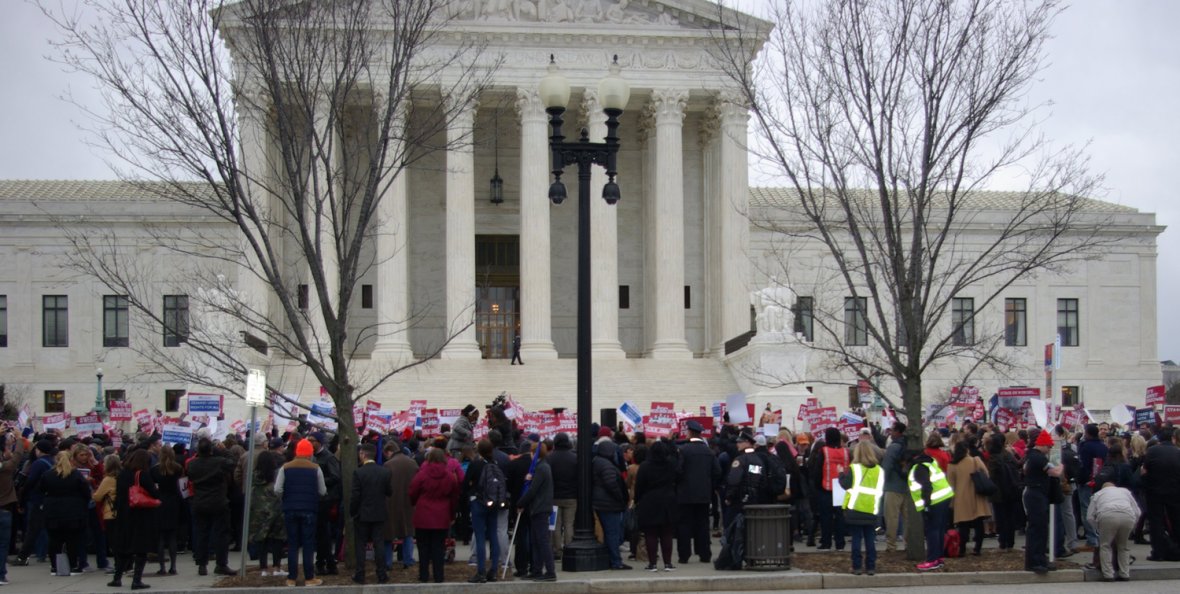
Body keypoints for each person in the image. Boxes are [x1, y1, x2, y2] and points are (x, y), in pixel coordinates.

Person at [276, 438, 327, 587]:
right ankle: (309, 577)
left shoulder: (285, 467)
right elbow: (322, 491)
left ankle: (291, 578)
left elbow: (277, 489)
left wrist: (286, 498)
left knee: (292, 543)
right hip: (309, 509)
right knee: (308, 544)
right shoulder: (315, 468)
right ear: (310, 453)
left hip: (290, 509)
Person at [110, 449, 160, 590]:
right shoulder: (142, 474)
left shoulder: (122, 474)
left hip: (124, 515)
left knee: (124, 548)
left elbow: (119, 495)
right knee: (140, 549)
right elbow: (154, 493)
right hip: (140, 515)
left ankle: (117, 578)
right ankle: (136, 580)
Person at [186, 437, 236, 576]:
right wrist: (223, 450)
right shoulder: (219, 462)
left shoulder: (192, 464)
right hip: (218, 501)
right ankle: (221, 564)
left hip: (200, 501)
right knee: (221, 534)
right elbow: (233, 462)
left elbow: (189, 477)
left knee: (201, 534)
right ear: (211, 450)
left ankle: (202, 564)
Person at [410, 447, 459, 584]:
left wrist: (415, 502)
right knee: (439, 547)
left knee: (423, 547)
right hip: (441, 515)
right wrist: (452, 514)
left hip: (423, 514)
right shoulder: (449, 476)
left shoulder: (422, 474)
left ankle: (423, 574)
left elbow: (413, 491)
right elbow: (454, 496)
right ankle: (439, 575)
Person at [676, 420, 720, 564]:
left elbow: (678, 471)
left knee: (684, 525)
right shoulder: (709, 452)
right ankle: (704, 553)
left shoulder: (683, 450)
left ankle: (684, 555)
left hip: (685, 494)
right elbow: (717, 472)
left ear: (689, 432)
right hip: (703, 494)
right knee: (702, 524)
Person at [40, 451, 90, 576]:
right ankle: (73, 566)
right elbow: (86, 492)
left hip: (52, 510)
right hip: (73, 511)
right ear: (71, 460)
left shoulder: (48, 474)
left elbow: (41, 490)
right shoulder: (76, 474)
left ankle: (54, 566)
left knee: (54, 540)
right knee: (72, 540)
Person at [1087, 468, 1140, 582]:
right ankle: (1124, 573)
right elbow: (1137, 511)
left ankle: (1108, 574)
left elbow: (1090, 516)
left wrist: (1097, 528)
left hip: (1107, 516)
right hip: (1127, 516)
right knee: (1124, 546)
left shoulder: (1098, 494)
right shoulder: (1125, 491)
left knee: (1105, 545)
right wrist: (1133, 525)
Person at [840, 440, 883, 576]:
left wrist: (841, 474)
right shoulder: (879, 470)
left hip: (855, 508)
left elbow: (846, 485)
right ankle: (871, 566)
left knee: (856, 539)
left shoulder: (855, 469)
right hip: (871, 508)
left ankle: (857, 566)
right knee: (870, 539)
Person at [349, 443, 391, 584]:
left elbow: (355, 496)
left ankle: (360, 574)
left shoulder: (359, 473)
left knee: (360, 545)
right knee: (379, 543)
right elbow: (389, 492)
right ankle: (381, 573)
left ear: (363, 454)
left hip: (362, 513)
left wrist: (352, 512)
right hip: (379, 513)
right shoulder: (384, 472)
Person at [636, 439, 679, 572]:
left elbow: (639, 486)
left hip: (650, 501)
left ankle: (652, 563)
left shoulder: (644, 466)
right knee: (667, 533)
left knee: (651, 534)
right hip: (668, 500)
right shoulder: (671, 464)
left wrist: (638, 500)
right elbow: (677, 479)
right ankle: (668, 563)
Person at [908, 447, 954, 571]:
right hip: (944, 497)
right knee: (939, 529)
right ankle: (938, 558)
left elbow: (926, 486)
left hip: (934, 501)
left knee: (932, 531)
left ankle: (932, 560)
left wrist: (926, 505)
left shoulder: (919, 468)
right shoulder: (930, 462)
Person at [516, 438, 556, 581]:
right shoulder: (542, 467)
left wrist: (520, 503)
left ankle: (550, 571)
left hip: (540, 508)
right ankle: (537, 570)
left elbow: (533, 490)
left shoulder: (541, 468)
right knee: (537, 541)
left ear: (534, 454)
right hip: (539, 507)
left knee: (542, 541)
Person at [1023, 429, 1063, 574]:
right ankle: (1034, 561)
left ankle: (1039, 559)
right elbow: (1055, 472)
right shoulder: (1037, 458)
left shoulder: (1031, 455)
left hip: (1037, 493)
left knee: (1041, 529)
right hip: (1036, 493)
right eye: (1049, 447)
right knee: (1037, 529)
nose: (1049, 450)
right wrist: (1060, 466)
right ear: (1043, 445)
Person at [464, 439, 503, 583]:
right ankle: (493, 570)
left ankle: (480, 571)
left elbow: (466, 483)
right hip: (493, 503)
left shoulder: (476, 464)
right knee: (493, 534)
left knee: (480, 536)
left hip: (478, 502)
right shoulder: (495, 463)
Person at [1141, 426, 1180, 561]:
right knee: (1176, 520)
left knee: (1156, 522)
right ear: (1173, 439)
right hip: (1175, 491)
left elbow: (1144, 471)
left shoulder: (1152, 451)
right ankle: (1177, 550)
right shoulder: (1178, 452)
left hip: (1154, 491)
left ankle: (1158, 553)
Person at [14, 439, 55, 567]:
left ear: (39, 450)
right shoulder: (52, 461)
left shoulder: (38, 463)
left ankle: (22, 557)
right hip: (49, 500)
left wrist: (23, 495)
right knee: (48, 529)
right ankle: (49, 554)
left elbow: (30, 481)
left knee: (33, 529)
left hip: (38, 499)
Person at [946, 440, 991, 556]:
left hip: (961, 498)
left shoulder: (952, 465)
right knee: (978, 524)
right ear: (967, 450)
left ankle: (962, 549)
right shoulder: (976, 461)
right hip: (977, 495)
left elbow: (950, 484)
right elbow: (986, 474)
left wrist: (951, 502)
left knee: (963, 525)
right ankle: (978, 548)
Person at [591, 439, 630, 570]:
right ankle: (615, 561)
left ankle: (612, 559)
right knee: (613, 533)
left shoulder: (598, 461)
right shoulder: (606, 465)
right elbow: (611, 483)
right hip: (609, 503)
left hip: (603, 501)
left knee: (610, 533)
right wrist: (620, 498)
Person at [306, 432, 342, 576]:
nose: (310, 443)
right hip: (317, 499)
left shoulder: (329, 457)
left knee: (323, 533)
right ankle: (325, 562)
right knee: (321, 534)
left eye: (312, 440)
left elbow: (335, 477)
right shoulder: (313, 457)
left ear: (320, 442)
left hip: (327, 500)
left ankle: (325, 562)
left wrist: (318, 481)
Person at [808, 427, 848, 550]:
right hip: (841, 487)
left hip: (825, 487)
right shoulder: (845, 452)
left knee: (826, 517)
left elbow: (818, 470)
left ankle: (826, 542)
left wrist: (817, 486)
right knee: (840, 516)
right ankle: (840, 543)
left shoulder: (824, 451)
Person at [247, 450, 285, 578]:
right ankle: (276, 567)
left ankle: (263, 568)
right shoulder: (276, 474)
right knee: (277, 540)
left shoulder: (253, 475)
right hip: (275, 509)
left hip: (258, 511)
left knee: (261, 540)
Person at [383, 438, 418, 571]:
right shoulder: (412, 463)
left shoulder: (388, 465)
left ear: (389, 451)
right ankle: (408, 559)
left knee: (388, 534)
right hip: (409, 502)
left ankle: (388, 562)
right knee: (408, 532)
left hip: (391, 502)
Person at [985, 432, 1023, 551]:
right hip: (1011, 490)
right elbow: (1017, 466)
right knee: (1010, 517)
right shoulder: (1008, 455)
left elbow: (991, 476)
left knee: (1000, 517)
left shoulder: (993, 457)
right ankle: (1010, 542)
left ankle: (1003, 542)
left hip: (998, 492)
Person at [151, 446, 184, 575]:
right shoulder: (178, 468)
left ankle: (162, 567)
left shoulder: (154, 470)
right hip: (174, 502)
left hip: (160, 502)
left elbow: (152, 487)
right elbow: (182, 486)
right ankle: (173, 566)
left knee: (160, 537)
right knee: (172, 536)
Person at [1076, 423, 1109, 550]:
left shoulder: (1086, 447)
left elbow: (1083, 465)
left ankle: (1092, 539)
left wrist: (1081, 478)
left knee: (1087, 510)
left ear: (1088, 433)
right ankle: (1100, 538)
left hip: (1087, 482)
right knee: (1099, 510)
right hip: (1100, 481)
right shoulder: (1103, 446)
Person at [879, 422, 908, 552]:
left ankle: (891, 545)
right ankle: (909, 543)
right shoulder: (909, 445)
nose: (890, 433)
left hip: (892, 486)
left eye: (892, 430)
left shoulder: (893, 447)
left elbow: (886, 467)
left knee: (892, 517)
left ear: (897, 432)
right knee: (908, 518)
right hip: (908, 486)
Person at [548, 432, 577, 558]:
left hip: (554, 496)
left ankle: (557, 549)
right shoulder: (574, 457)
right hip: (571, 496)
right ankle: (569, 547)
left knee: (556, 524)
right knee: (569, 524)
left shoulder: (550, 458)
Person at [0, 433, 19, 586]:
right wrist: (19, 439)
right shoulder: (6, 468)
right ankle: (1, 575)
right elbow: (17, 457)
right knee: (2, 544)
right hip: (4, 509)